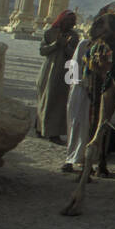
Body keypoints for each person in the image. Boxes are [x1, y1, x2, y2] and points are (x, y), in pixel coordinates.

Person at [36, 10, 79, 142]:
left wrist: (65, 46)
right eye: (69, 20)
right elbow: (42, 51)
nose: (72, 23)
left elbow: (74, 55)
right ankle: (40, 128)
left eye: (73, 21)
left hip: (64, 72)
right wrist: (56, 44)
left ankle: (54, 133)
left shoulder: (74, 36)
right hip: (49, 71)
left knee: (59, 102)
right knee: (45, 100)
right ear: (62, 20)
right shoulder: (50, 33)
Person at [62, 35, 93, 173]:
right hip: (80, 90)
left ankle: (87, 159)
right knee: (75, 123)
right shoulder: (84, 45)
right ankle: (70, 158)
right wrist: (83, 82)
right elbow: (73, 69)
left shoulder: (107, 48)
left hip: (96, 92)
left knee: (91, 126)